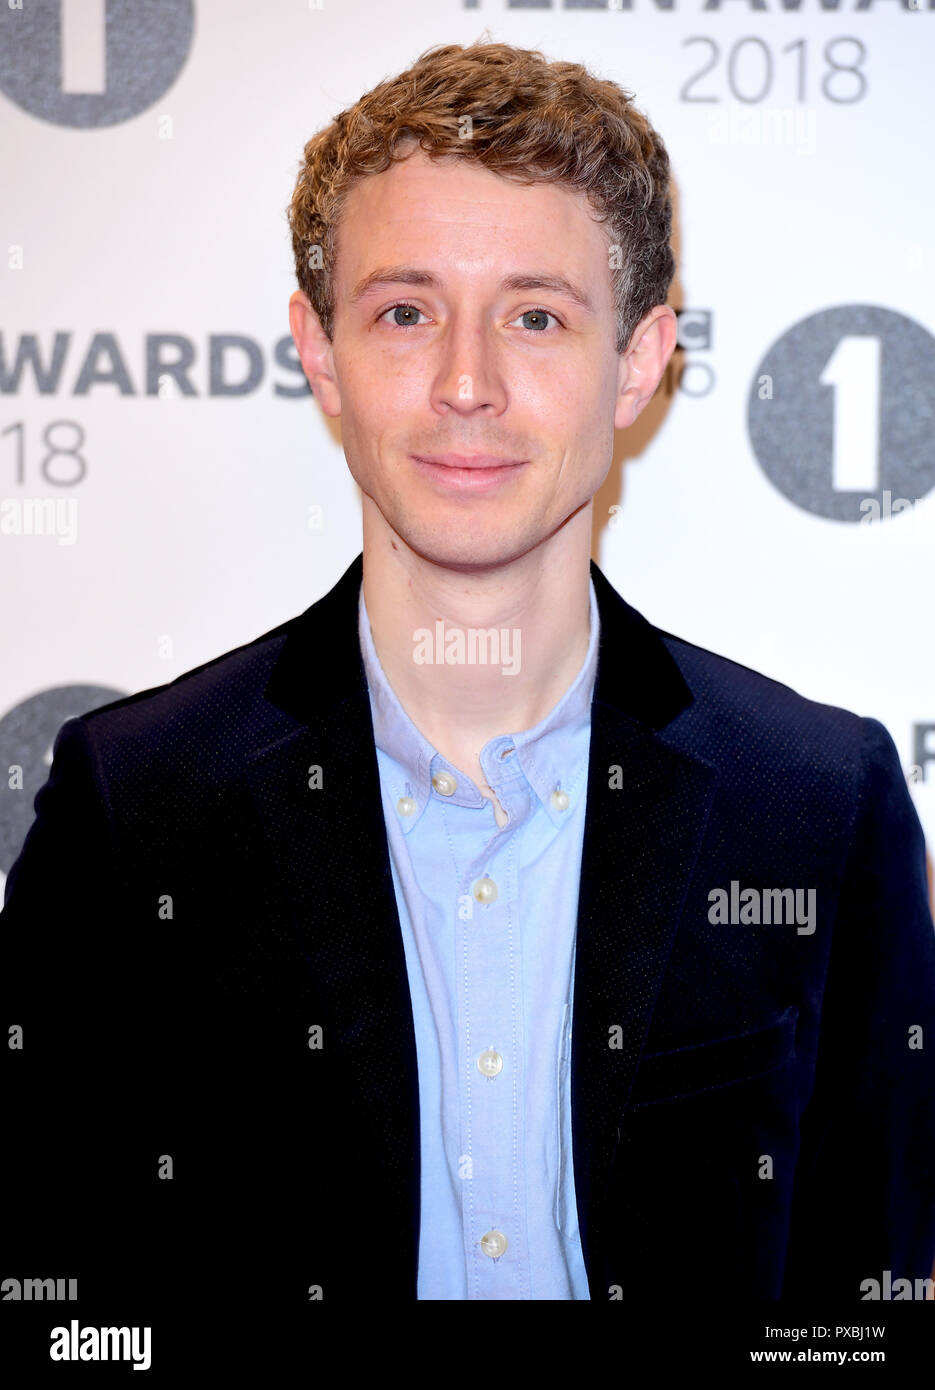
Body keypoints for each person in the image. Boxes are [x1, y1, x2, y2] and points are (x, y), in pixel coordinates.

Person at [2, 40, 934, 1329]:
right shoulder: (137, 804)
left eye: (536, 314)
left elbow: (864, 1306)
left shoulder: (820, 803)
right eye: (403, 311)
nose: (465, 385)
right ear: (320, 354)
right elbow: (65, 1302)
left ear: (640, 360)